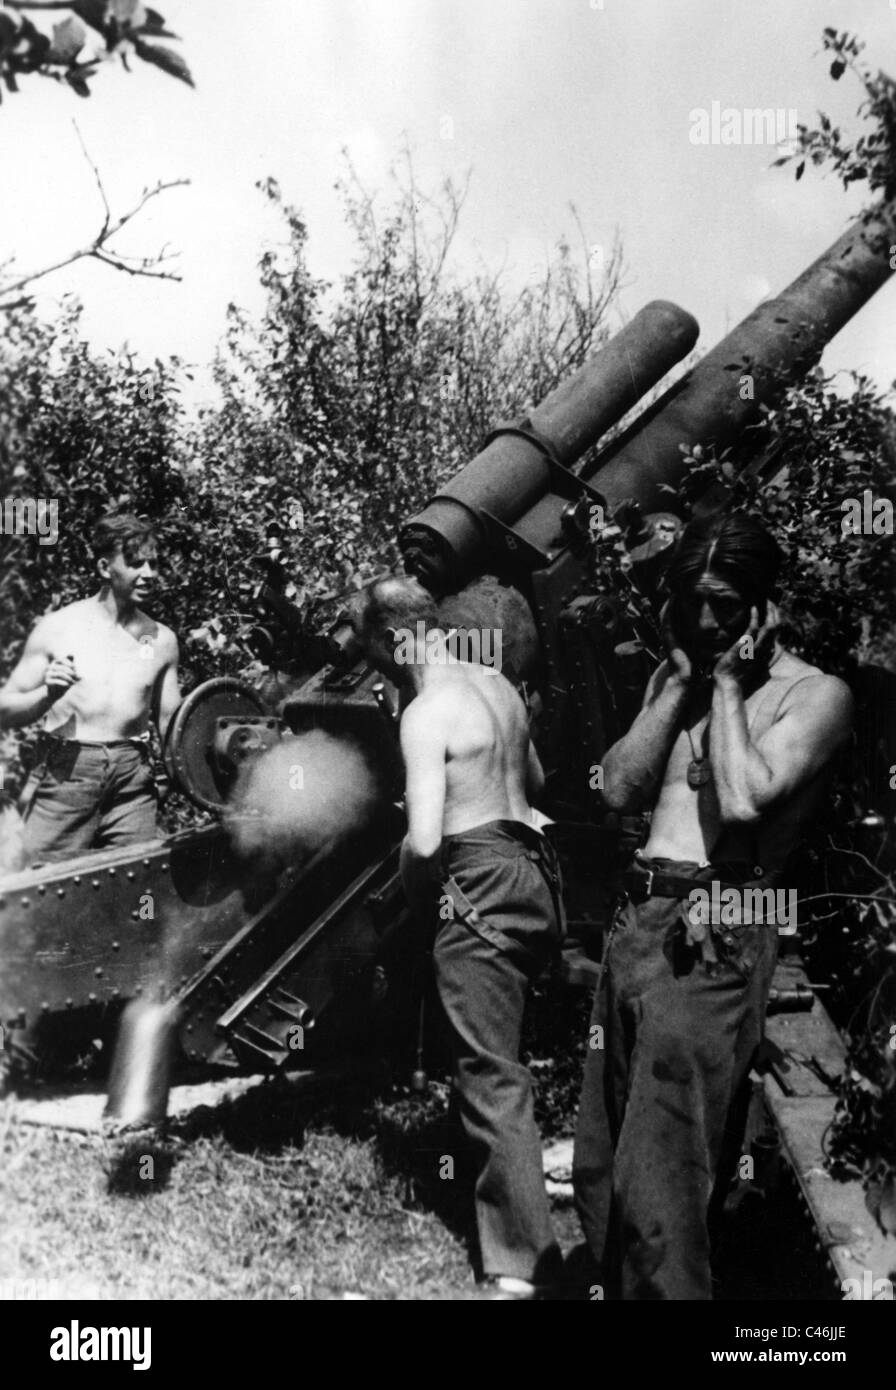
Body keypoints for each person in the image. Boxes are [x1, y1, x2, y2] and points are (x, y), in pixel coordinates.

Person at [572, 511, 853, 1300]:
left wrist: (729, 683)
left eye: (725, 604)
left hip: (718, 926)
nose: (704, 621)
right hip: (641, 924)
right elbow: (618, 789)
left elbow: (744, 798)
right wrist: (679, 685)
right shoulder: (679, 683)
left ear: (764, 606)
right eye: (689, 602)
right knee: (605, 1163)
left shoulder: (815, 696)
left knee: (661, 1178)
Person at [353, 575, 565, 1299]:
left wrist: (422, 906)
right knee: (498, 1049)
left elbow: (421, 842)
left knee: (488, 1070)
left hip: (477, 876)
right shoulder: (499, 687)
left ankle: (521, 1266)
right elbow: (536, 781)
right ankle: (492, 1190)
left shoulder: (427, 711)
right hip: (536, 871)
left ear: (390, 640)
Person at [0, 513, 181, 865]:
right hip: (67, 774)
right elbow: (4, 709)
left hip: (133, 783)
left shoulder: (161, 641)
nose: (148, 573)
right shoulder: (59, 628)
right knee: (42, 892)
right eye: (135, 563)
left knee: (137, 887)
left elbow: (173, 729)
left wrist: (177, 781)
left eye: (153, 564)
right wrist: (46, 695)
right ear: (103, 567)